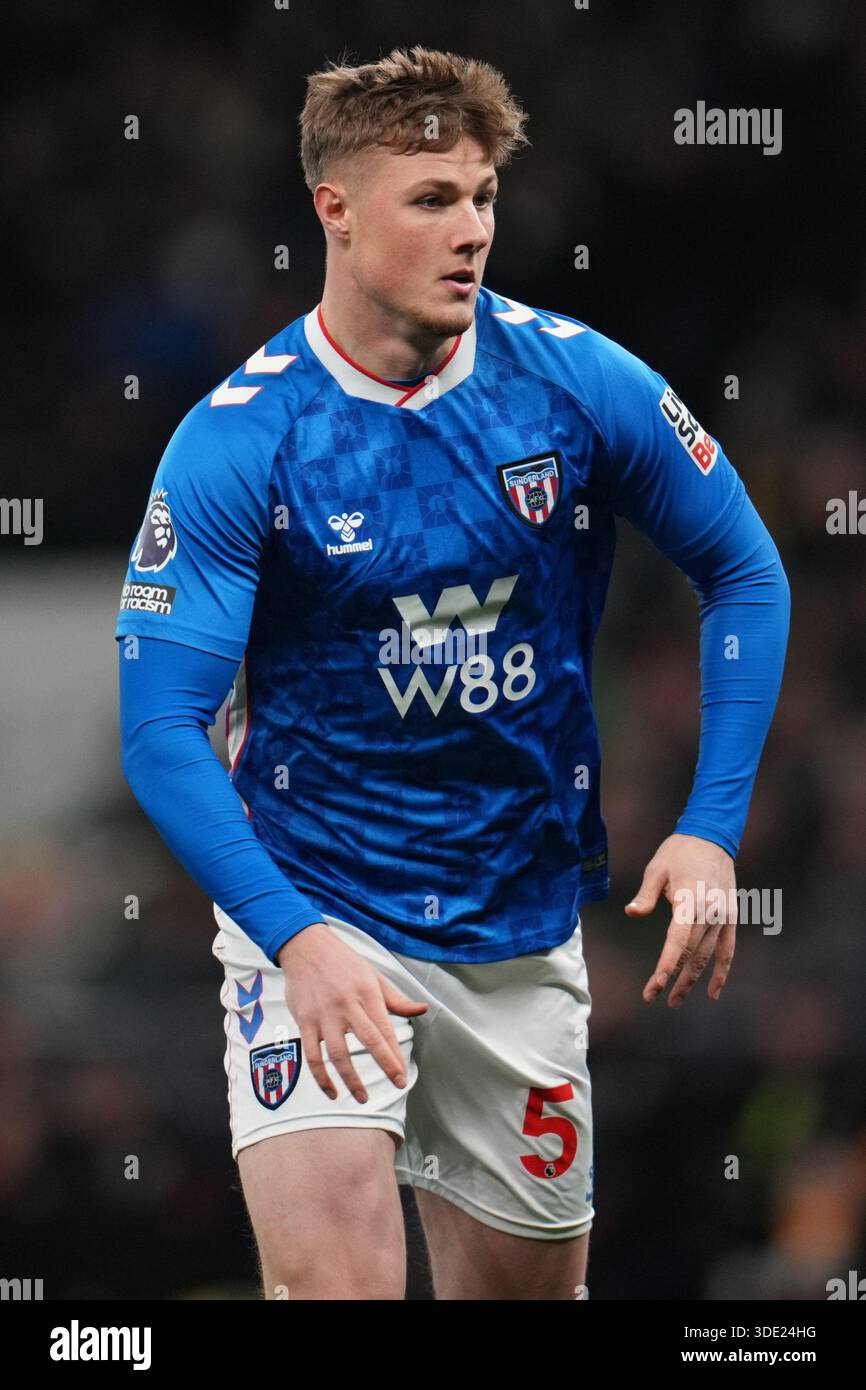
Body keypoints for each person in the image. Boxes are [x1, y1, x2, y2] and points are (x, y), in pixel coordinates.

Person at [115, 46, 790, 1300]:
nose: (471, 228)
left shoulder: (576, 383)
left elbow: (744, 575)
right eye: (432, 198)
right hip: (312, 910)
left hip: (516, 929)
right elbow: (160, 727)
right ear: (334, 208)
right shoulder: (238, 440)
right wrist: (291, 935)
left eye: (482, 196)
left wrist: (709, 827)